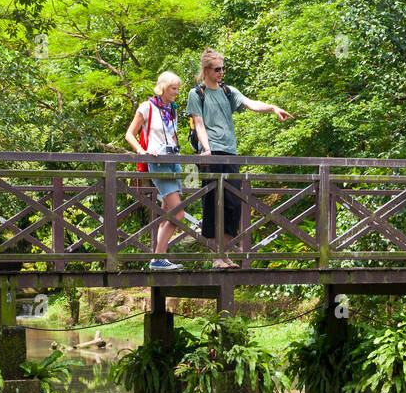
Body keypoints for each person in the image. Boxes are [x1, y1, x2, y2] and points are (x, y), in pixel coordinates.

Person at [186, 47, 293, 268]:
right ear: (206, 70)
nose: (221, 72)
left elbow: (250, 103)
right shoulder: (196, 94)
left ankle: (225, 254)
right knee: (213, 202)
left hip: (230, 151)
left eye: (223, 68)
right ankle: (217, 257)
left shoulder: (228, 91)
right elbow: (198, 124)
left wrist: (273, 108)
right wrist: (206, 149)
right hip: (211, 153)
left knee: (232, 203)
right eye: (217, 69)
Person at [125, 71, 187, 270]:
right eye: (173, 88)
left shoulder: (171, 109)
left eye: (177, 89)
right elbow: (129, 134)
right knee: (178, 214)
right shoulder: (147, 107)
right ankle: (157, 259)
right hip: (158, 163)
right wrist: (142, 150)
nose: (176, 92)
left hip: (174, 162)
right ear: (162, 88)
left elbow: (173, 135)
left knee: (169, 212)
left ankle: (159, 258)